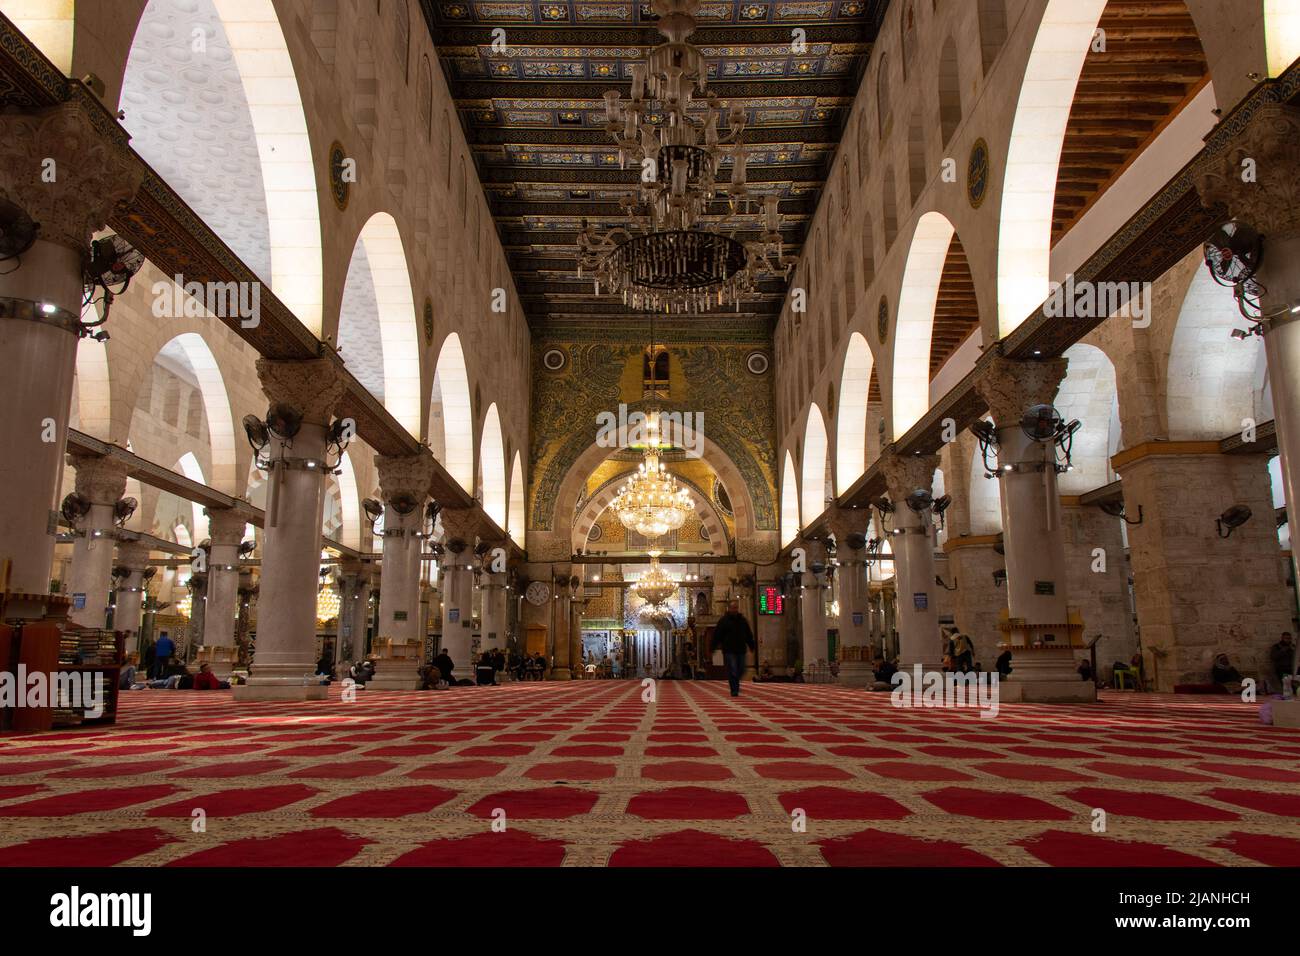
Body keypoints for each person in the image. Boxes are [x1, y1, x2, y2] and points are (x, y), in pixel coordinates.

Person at [711, 599, 756, 697]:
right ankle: (734, 689)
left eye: (736, 608)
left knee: (741, 669)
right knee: (733, 669)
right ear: (729, 608)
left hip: (740, 649)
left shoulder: (742, 620)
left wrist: (751, 645)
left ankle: (735, 684)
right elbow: (717, 634)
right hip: (729, 650)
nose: (735, 609)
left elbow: (748, 634)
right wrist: (713, 647)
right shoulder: (724, 621)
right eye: (733, 608)